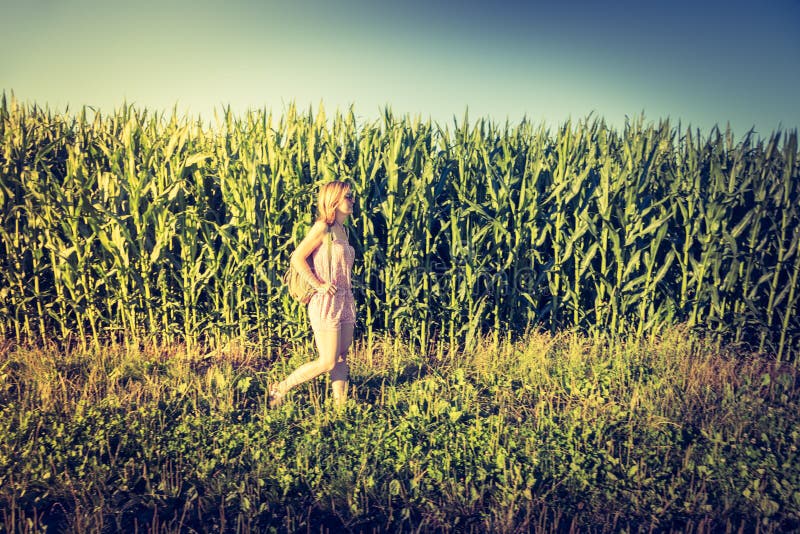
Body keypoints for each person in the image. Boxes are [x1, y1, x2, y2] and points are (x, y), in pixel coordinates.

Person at [269, 180, 356, 408]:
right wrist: (317, 284)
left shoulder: (343, 230)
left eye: (351, 196)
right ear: (333, 200)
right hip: (325, 302)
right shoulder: (323, 228)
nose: (352, 200)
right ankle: (280, 388)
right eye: (348, 196)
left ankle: (340, 407)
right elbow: (297, 258)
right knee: (327, 361)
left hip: (344, 300)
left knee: (340, 356)